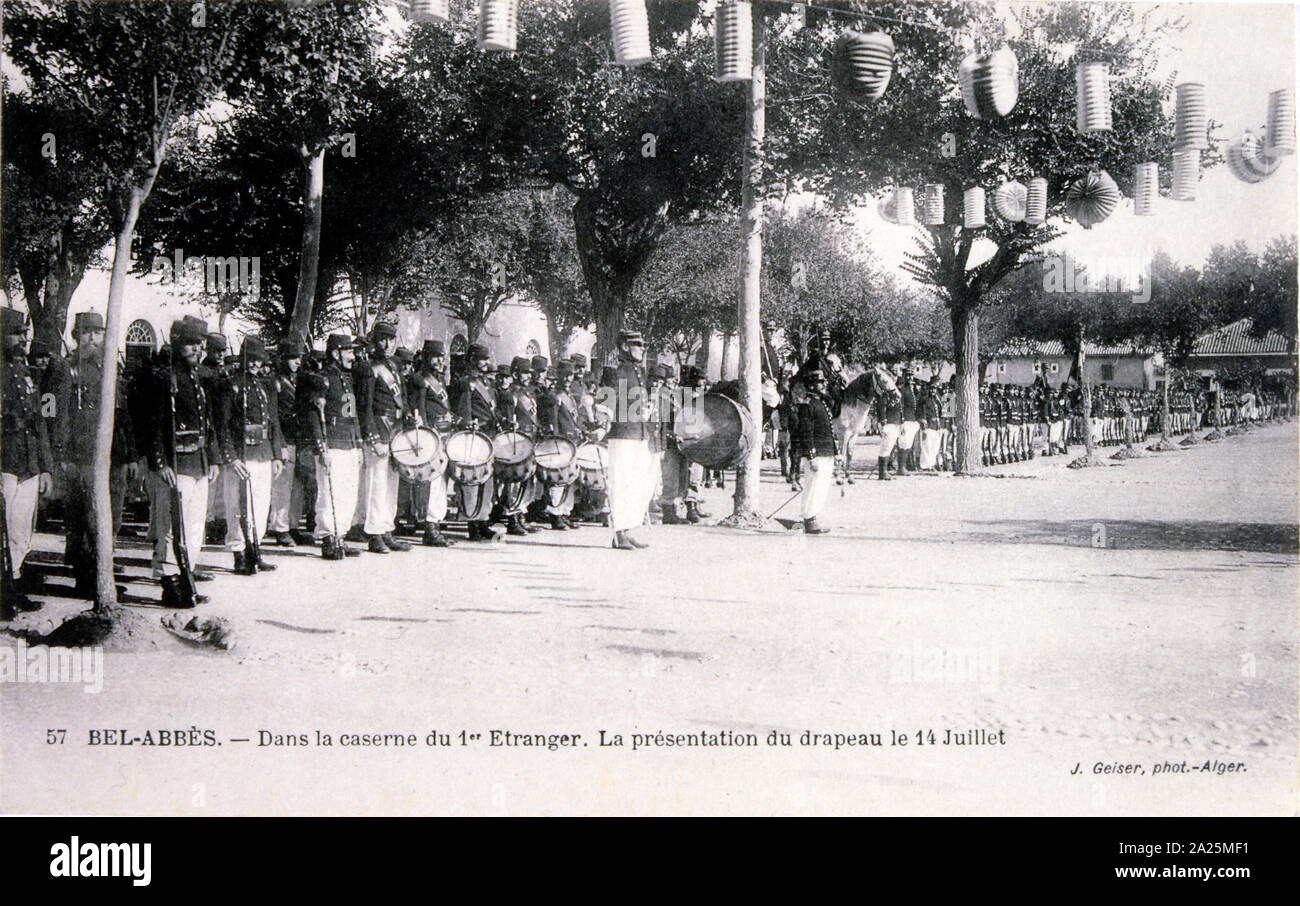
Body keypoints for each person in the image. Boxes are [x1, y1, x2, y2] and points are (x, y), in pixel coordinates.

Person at [59, 311, 138, 597]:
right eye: (86, 333)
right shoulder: (66, 369)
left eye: (97, 332)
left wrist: (130, 455)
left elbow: (124, 414)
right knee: (83, 517)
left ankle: (103, 567)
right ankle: (85, 575)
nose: (93, 338)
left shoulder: (111, 368)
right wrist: (62, 455)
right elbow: (57, 415)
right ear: (76, 337)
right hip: (80, 455)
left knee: (112, 515)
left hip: (114, 455)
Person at [143, 318, 221, 607]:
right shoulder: (165, 378)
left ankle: (187, 574)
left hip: (198, 462)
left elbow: (207, 423)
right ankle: (169, 581)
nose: (196, 348)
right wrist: (160, 463)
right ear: (178, 344)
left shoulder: (198, 378)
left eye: (199, 343)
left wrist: (212, 458)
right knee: (170, 524)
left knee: (195, 524)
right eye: (190, 343)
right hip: (176, 463)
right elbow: (152, 425)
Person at [1, 308, 53, 614]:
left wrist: (45, 466)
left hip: (28, 462)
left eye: (24, 333)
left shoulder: (23, 371)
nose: (23, 339)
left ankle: (13, 586)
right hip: (5, 461)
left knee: (20, 530)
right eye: (16, 333)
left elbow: (40, 421)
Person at [216, 336, 283, 574]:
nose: (255, 364)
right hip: (241, 454)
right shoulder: (230, 384)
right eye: (251, 359)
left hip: (262, 452)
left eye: (258, 360)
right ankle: (239, 552)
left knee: (261, 503)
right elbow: (222, 425)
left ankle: (256, 548)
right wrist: (231, 457)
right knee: (237, 503)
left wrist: (276, 454)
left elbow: (272, 421)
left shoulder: (263, 386)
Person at [302, 334, 364, 560]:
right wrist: (321, 447)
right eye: (349, 351)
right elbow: (313, 415)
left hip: (348, 441)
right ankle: (328, 537)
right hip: (332, 443)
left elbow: (353, 414)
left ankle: (341, 535)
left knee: (348, 492)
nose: (353, 356)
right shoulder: (323, 379)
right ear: (336, 353)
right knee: (330, 492)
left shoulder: (347, 379)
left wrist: (358, 444)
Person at [355, 323, 412, 554]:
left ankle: (387, 528)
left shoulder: (395, 367)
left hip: (396, 430)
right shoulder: (369, 368)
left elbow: (403, 400)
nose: (388, 344)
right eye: (383, 339)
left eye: (391, 339)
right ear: (375, 340)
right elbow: (365, 406)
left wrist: (409, 416)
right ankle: (374, 533)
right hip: (379, 429)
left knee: (391, 484)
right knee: (376, 484)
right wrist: (373, 437)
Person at [601, 330, 653, 550]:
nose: (642, 349)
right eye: (637, 345)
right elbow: (606, 400)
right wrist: (602, 423)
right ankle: (619, 532)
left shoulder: (637, 371)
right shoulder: (615, 371)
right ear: (624, 347)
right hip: (622, 435)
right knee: (621, 483)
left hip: (639, 434)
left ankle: (629, 529)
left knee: (636, 484)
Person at [453, 344, 505, 542]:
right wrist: (467, 424)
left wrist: (503, 420)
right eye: (482, 359)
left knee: (487, 482)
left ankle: (483, 520)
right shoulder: (466, 383)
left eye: (487, 358)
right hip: (475, 437)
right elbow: (464, 410)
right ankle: (472, 523)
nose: (486, 362)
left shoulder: (486, 384)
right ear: (473, 359)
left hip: (489, 436)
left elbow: (493, 411)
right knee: (472, 482)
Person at [408, 340, 456, 547]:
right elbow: (418, 408)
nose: (440, 360)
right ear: (427, 357)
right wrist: (427, 436)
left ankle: (435, 522)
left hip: (444, 434)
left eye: (442, 356)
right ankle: (429, 526)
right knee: (432, 482)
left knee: (440, 482)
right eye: (436, 356)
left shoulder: (439, 380)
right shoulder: (419, 380)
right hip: (431, 436)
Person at [266, 335, 308, 546]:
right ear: (281, 358)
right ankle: (279, 527)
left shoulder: (298, 380)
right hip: (284, 438)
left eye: (299, 357)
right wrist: (280, 444)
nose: (297, 362)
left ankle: (292, 524)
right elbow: (273, 416)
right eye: (293, 358)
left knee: (297, 485)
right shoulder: (275, 382)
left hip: (298, 437)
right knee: (282, 485)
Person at [793, 367, 835, 534]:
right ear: (811, 385)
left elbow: (830, 430)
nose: (823, 385)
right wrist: (811, 456)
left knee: (822, 487)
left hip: (826, 452)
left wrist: (836, 452)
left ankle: (814, 516)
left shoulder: (822, 403)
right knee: (813, 487)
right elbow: (806, 432)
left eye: (823, 382)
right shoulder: (807, 406)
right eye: (819, 383)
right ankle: (809, 519)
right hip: (817, 454)